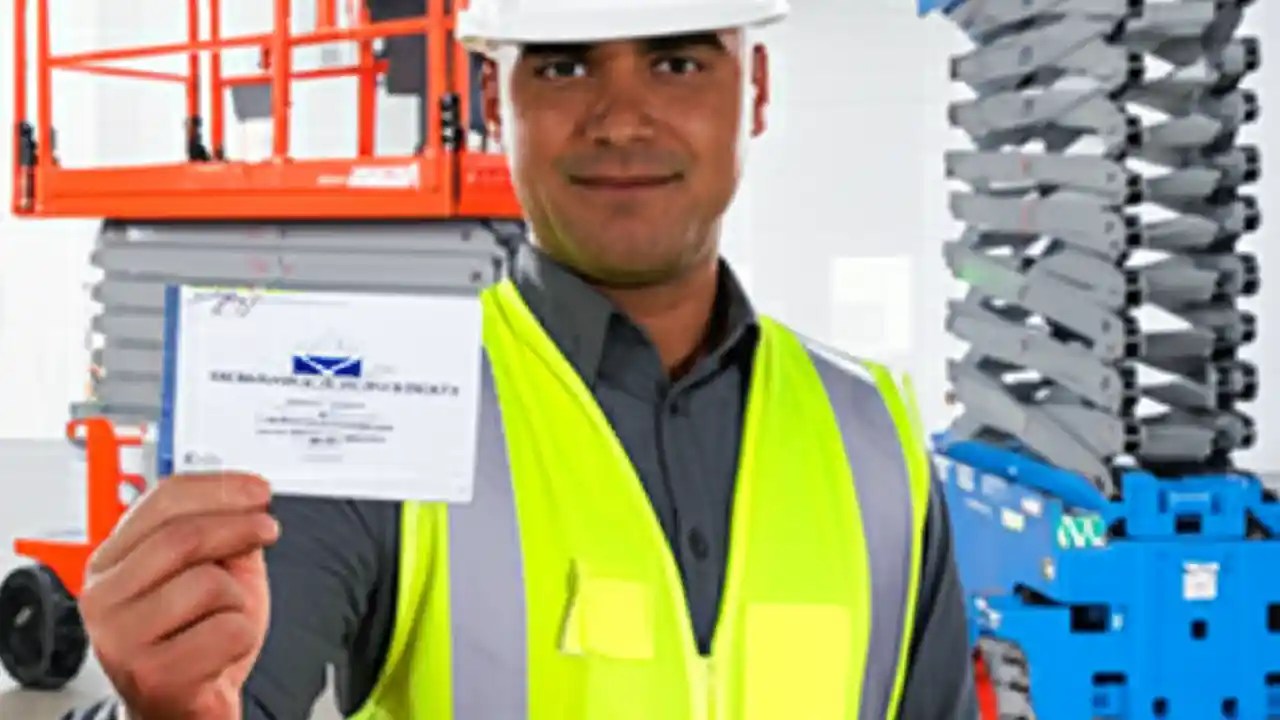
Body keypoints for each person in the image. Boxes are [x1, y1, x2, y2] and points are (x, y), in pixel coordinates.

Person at [64, 0, 978, 717]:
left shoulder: (872, 435)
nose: (622, 120)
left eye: (676, 62)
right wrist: (163, 709)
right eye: (564, 66)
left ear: (758, 90)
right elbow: (225, 700)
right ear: (494, 100)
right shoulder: (374, 415)